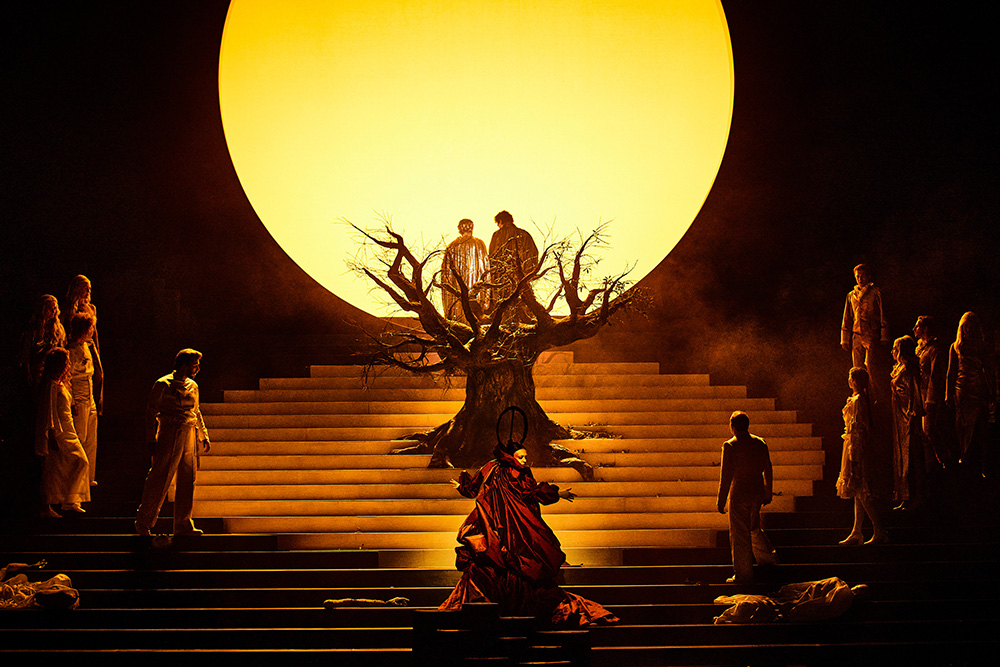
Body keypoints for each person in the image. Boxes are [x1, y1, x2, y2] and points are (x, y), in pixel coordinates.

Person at [439, 407, 618, 626]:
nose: (525, 460)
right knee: (493, 562)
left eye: (526, 457)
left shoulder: (521, 472)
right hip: (494, 523)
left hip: (517, 525)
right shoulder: (492, 468)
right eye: (521, 457)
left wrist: (557, 493)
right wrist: (461, 486)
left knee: (522, 560)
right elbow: (475, 487)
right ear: (510, 456)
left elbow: (531, 492)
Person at [135, 348, 211, 536]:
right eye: (195, 365)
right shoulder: (163, 384)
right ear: (184, 365)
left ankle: (183, 523)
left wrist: (203, 434)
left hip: (189, 432)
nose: (198, 368)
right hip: (169, 431)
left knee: (188, 479)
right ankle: (144, 521)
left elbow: (196, 410)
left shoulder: (193, 385)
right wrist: (150, 437)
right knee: (160, 476)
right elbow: (150, 412)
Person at [716, 411, 776, 583]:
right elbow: (768, 468)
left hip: (739, 493)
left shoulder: (730, 446)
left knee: (740, 534)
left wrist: (721, 500)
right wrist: (768, 491)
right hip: (756, 492)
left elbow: (726, 475)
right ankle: (768, 559)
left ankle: (743, 573)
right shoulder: (760, 442)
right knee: (755, 528)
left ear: (732, 427)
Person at [35, 347, 90, 517]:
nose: (67, 366)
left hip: (68, 428)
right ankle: (48, 506)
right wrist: (51, 434)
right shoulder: (50, 385)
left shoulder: (60, 384)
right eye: (65, 363)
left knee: (78, 463)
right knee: (56, 467)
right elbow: (48, 410)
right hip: (59, 431)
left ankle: (70, 499)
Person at [836, 367, 887, 545]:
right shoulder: (859, 399)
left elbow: (858, 428)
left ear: (855, 381)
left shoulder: (859, 400)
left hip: (856, 448)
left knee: (861, 489)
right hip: (853, 445)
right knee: (858, 490)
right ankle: (857, 531)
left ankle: (879, 529)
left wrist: (855, 454)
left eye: (850, 378)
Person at [946, 312, 995, 477]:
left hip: (977, 390)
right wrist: (948, 393)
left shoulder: (981, 346)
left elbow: (988, 369)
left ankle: (982, 465)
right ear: (962, 327)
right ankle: (965, 459)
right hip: (961, 392)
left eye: (970, 326)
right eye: (965, 326)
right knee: (962, 426)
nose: (968, 329)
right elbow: (950, 372)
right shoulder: (955, 347)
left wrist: (992, 390)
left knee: (980, 427)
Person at [890, 335, 925, 510]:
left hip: (908, 418)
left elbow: (915, 394)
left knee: (913, 459)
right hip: (899, 418)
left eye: (895, 349)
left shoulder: (909, 370)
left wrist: (914, 416)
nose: (892, 352)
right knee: (902, 459)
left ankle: (917, 497)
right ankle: (904, 495)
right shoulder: (899, 368)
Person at [914, 315, 953, 469]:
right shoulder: (920, 348)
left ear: (925, 329)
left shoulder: (934, 350)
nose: (914, 329)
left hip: (928, 396)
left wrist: (930, 399)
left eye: (917, 326)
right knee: (922, 432)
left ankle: (945, 459)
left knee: (929, 429)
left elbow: (936, 377)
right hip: (919, 393)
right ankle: (930, 463)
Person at [488, 210, 539, 324]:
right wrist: (527, 274)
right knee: (523, 303)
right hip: (521, 279)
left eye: (498, 223)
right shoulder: (524, 234)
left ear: (501, 221)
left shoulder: (497, 235)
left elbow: (492, 257)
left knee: (503, 307)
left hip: (502, 280)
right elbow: (533, 255)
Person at [66, 313, 99, 488]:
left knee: (91, 440)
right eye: (91, 327)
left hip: (90, 396)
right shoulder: (71, 351)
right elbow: (67, 379)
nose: (93, 331)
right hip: (78, 398)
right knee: (80, 438)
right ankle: (74, 484)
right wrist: (72, 403)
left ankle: (88, 477)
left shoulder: (87, 347)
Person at [63, 275, 103, 417]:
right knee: (75, 373)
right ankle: (73, 402)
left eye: (89, 288)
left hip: (89, 344)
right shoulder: (70, 308)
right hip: (76, 344)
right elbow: (67, 328)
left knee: (98, 374)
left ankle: (96, 404)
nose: (88, 291)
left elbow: (95, 331)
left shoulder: (90, 307)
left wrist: (96, 349)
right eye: (85, 288)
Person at [840, 263, 889, 372]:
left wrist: (884, 335)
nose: (860, 279)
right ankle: (859, 389)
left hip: (871, 334)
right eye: (857, 276)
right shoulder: (851, 295)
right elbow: (847, 317)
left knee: (871, 367)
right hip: (856, 335)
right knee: (857, 369)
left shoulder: (876, 293)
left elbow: (882, 314)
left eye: (863, 276)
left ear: (869, 276)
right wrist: (845, 339)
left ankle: (872, 389)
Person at [440, 218, 489, 324]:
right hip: (476, 295)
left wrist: (447, 302)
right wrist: (486, 299)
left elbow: (445, 276)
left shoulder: (452, 246)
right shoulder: (480, 244)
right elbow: (486, 270)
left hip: (457, 296)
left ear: (459, 229)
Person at [20, 294, 66, 388]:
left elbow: (62, 349)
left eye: (55, 308)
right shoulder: (33, 329)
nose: (53, 311)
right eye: (50, 308)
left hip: (54, 371)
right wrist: (28, 373)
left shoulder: (58, 329)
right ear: (42, 310)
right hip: (37, 372)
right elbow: (26, 354)